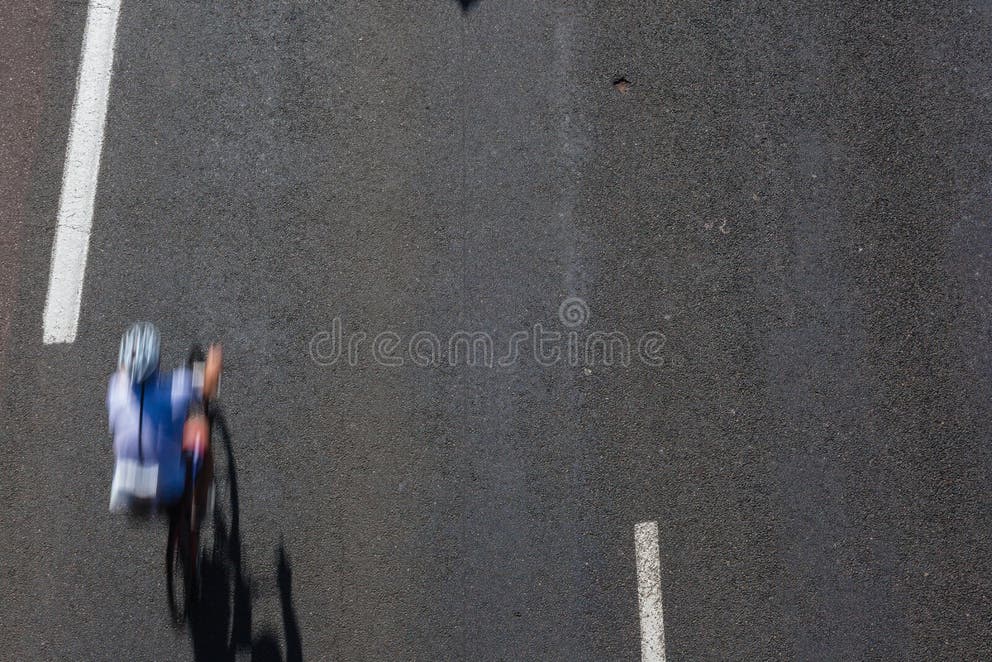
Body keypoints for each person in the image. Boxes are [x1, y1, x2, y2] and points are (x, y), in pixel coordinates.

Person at [107, 322, 221, 513]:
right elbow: (208, 386)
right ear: (158, 361)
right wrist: (213, 363)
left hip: (125, 491)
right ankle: (202, 496)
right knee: (200, 425)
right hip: (168, 489)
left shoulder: (115, 389)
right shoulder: (177, 388)